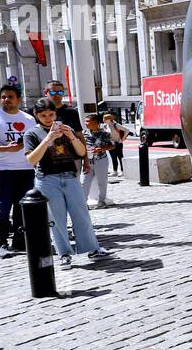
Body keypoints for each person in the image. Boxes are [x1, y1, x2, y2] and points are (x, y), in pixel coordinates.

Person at [23, 99, 112, 269]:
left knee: (81, 213)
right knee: (56, 218)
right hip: (47, 178)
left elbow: (80, 152)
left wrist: (71, 136)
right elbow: (31, 159)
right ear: (36, 115)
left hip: (70, 176)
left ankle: (92, 248)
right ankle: (64, 253)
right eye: (43, 115)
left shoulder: (66, 129)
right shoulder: (31, 134)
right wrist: (48, 139)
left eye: (51, 114)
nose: (48, 118)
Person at [0, 84, 36, 258]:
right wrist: (4, 149)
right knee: (2, 207)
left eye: (10, 97)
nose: (6, 100)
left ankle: (19, 240)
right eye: (3, 97)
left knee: (21, 206)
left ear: (19, 99)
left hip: (25, 167)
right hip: (2, 168)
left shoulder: (28, 118)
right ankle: (0, 243)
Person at [82, 113, 115, 207]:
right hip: (88, 162)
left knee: (102, 182)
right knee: (84, 182)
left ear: (96, 122)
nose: (86, 123)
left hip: (101, 161)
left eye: (88, 121)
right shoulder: (83, 133)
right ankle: (83, 203)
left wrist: (102, 149)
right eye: (85, 121)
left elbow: (112, 145)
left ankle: (102, 201)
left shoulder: (104, 134)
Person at [102, 112, 128, 177]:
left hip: (118, 143)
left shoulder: (115, 125)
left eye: (105, 118)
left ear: (109, 119)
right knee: (113, 158)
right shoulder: (105, 126)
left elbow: (127, 130)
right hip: (111, 144)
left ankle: (123, 171)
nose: (103, 120)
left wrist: (122, 139)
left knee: (120, 157)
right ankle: (115, 171)